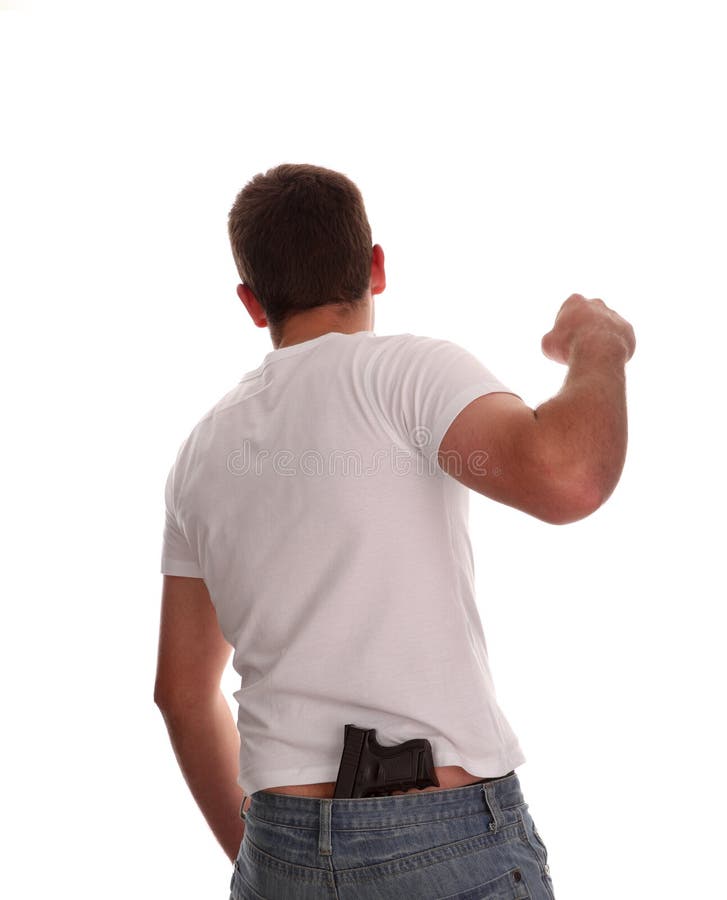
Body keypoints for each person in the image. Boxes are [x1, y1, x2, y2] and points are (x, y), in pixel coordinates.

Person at [154, 163, 636, 899]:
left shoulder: (201, 453)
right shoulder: (404, 373)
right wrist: (599, 342)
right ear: (375, 267)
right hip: (438, 840)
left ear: (252, 302)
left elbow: (182, 695)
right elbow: (570, 477)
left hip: (278, 850)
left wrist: (267, 860)